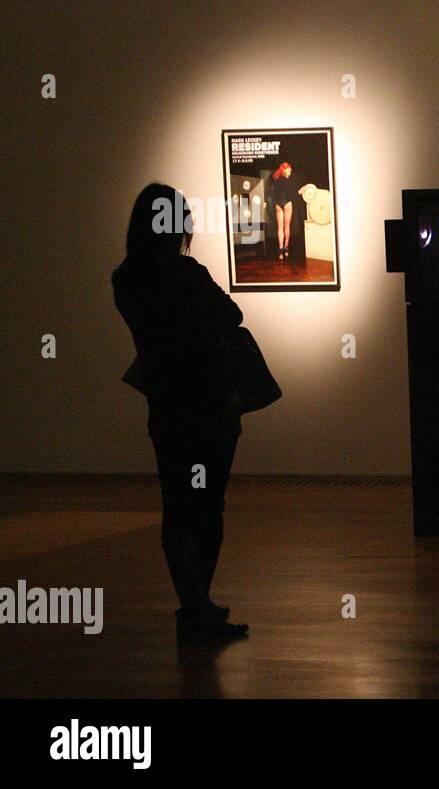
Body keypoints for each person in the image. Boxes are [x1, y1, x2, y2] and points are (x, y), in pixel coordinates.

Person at [112, 183, 250, 643]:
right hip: (209, 407)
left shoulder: (125, 280)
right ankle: (199, 606)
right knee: (208, 507)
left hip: (167, 408)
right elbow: (231, 314)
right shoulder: (188, 274)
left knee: (177, 507)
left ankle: (192, 605)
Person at [268, 162, 298, 261]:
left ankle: (280, 249)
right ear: (284, 170)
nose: (289, 172)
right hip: (287, 203)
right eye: (288, 170)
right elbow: (292, 194)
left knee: (280, 228)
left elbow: (271, 193)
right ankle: (286, 248)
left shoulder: (275, 179)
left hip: (278, 204)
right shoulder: (288, 181)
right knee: (287, 226)